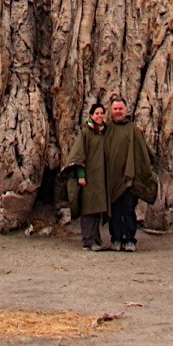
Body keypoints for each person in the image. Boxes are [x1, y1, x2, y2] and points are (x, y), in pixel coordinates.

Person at [104, 95, 157, 252]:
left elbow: (143, 152)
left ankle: (130, 239)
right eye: (115, 109)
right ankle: (116, 238)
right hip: (112, 178)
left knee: (128, 209)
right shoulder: (107, 129)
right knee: (114, 210)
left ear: (126, 110)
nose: (118, 111)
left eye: (120, 109)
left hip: (130, 179)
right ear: (111, 110)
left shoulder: (133, 129)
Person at [63, 102, 109, 251]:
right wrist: (80, 176)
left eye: (102, 113)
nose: (99, 116)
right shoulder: (86, 132)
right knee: (88, 209)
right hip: (88, 177)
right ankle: (87, 240)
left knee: (97, 209)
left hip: (100, 178)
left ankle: (96, 238)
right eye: (97, 113)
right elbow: (78, 156)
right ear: (91, 115)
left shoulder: (104, 132)